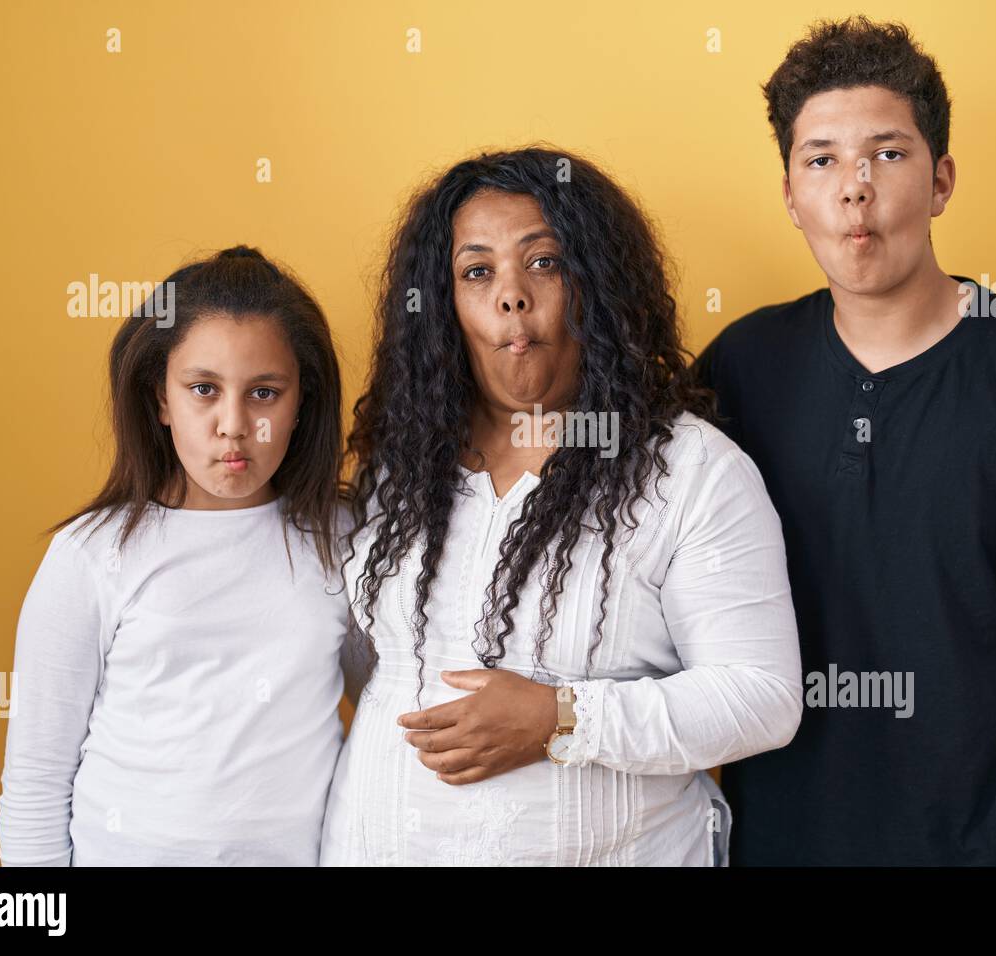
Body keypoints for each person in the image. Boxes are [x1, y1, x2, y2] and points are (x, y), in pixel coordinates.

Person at [693, 16, 996, 865]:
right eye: (820, 159)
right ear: (789, 195)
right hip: (777, 846)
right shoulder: (739, 369)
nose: (854, 188)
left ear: (941, 180)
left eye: (888, 154)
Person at [319, 146, 803, 866]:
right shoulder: (404, 465)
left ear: (597, 287)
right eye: (476, 272)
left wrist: (559, 718)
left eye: (543, 263)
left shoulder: (691, 471)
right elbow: (368, 664)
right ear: (444, 305)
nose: (511, 295)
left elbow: (762, 697)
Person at [0, 246, 351, 865]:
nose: (234, 424)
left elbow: (399, 694)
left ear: (302, 404)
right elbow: (34, 784)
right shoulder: (91, 555)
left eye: (265, 392)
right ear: (161, 399)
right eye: (203, 390)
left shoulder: (340, 539)